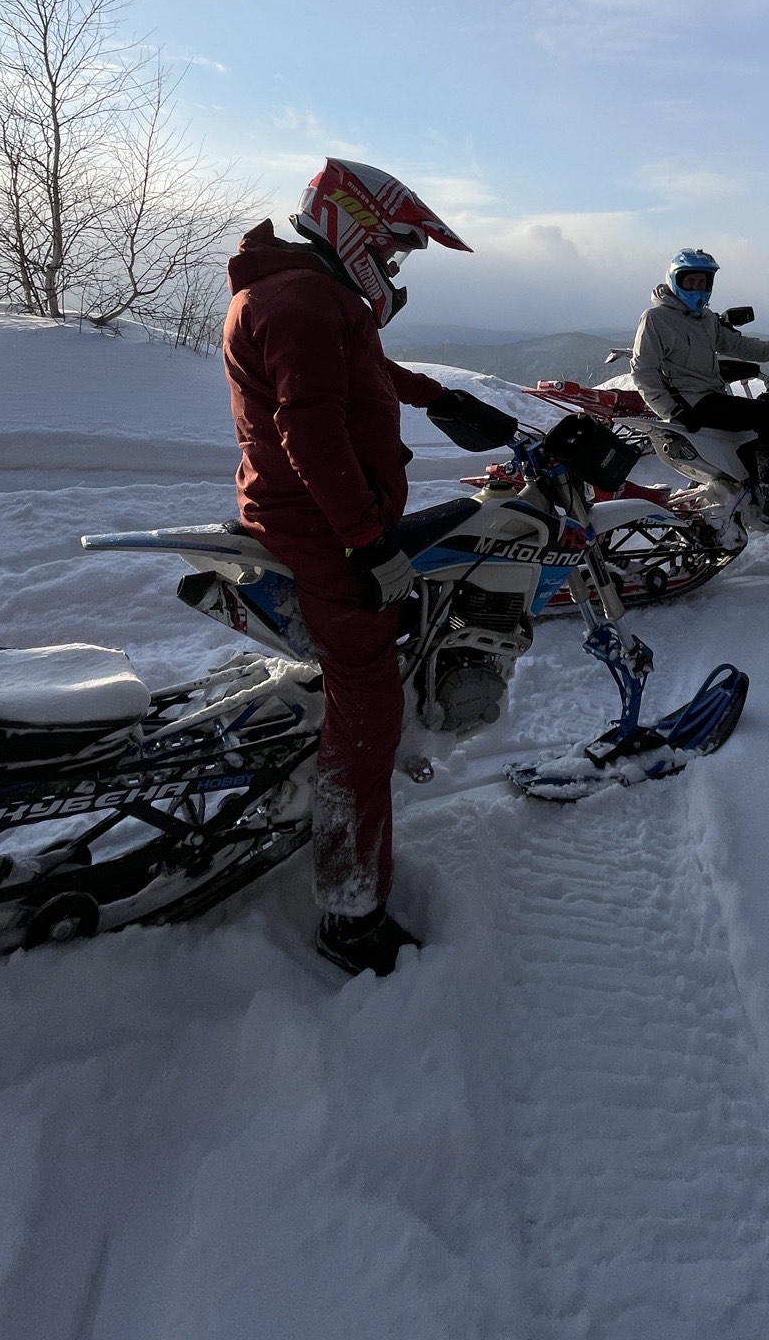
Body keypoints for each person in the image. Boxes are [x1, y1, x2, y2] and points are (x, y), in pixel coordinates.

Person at [222, 158, 509, 977]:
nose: (390, 270)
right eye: (389, 253)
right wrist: (368, 543)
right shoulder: (305, 298)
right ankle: (349, 917)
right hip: (320, 529)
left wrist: (439, 399)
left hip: (313, 517)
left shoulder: (299, 291)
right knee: (369, 706)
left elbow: (356, 371)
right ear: (353, 227)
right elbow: (309, 429)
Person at [630, 248, 769, 531]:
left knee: (757, 423)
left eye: (703, 282)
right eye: (691, 282)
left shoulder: (706, 319)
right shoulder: (656, 318)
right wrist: (671, 410)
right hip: (691, 403)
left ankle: (749, 494)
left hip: (712, 397)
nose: (697, 288)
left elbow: (742, 346)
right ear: (675, 281)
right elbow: (643, 371)